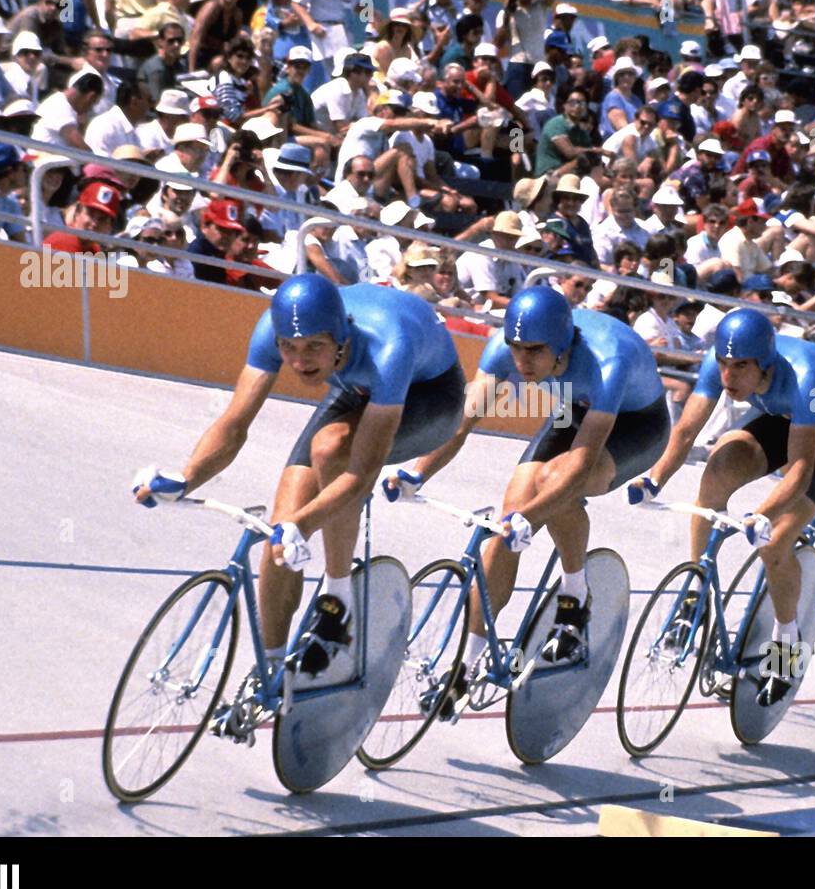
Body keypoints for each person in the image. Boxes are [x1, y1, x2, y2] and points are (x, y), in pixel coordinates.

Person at [132, 276, 466, 684]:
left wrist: (305, 527)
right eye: (288, 348)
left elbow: (360, 474)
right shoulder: (276, 329)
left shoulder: (388, 347)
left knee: (331, 451)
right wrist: (185, 478)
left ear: (341, 336)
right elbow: (235, 423)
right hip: (356, 385)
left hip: (430, 396)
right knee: (280, 529)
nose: (299, 361)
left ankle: (336, 601)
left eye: (312, 348)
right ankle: (271, 671)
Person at [386, 285, 670, 714]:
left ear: (562, 345)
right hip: (574, 408)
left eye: (534, 352)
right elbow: (461, 422)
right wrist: (416, 472)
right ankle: (467, 665)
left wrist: (532, 516)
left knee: (557, 485)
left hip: (636, 423)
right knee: (506, 525)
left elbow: (581, 463)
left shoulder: (609, 360)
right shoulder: (508, 352)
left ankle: (575, 600)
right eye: (515, 349)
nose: (521, 363)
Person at [629, 308, 815, 706]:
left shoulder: (810, 380)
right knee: (718, 468)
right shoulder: (720, 365)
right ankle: (694, 591)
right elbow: (685, 430)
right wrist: (653, 479)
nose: (728, 377)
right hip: (776, 417)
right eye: (723, 365)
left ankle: (787, 650)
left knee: (775, 543)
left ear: (764, 364)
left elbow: (801, 468)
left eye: (740, 367)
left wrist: (762, 515)